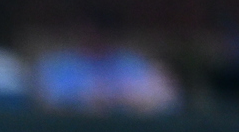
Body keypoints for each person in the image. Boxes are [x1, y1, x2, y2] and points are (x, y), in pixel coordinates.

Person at [34, 22, 178, 115]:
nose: (93, 35)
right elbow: (47, 101)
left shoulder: (132, 64)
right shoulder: (58, 64)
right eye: (88, 29)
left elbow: (166, 102)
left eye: (100, 29)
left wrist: (120, 100)